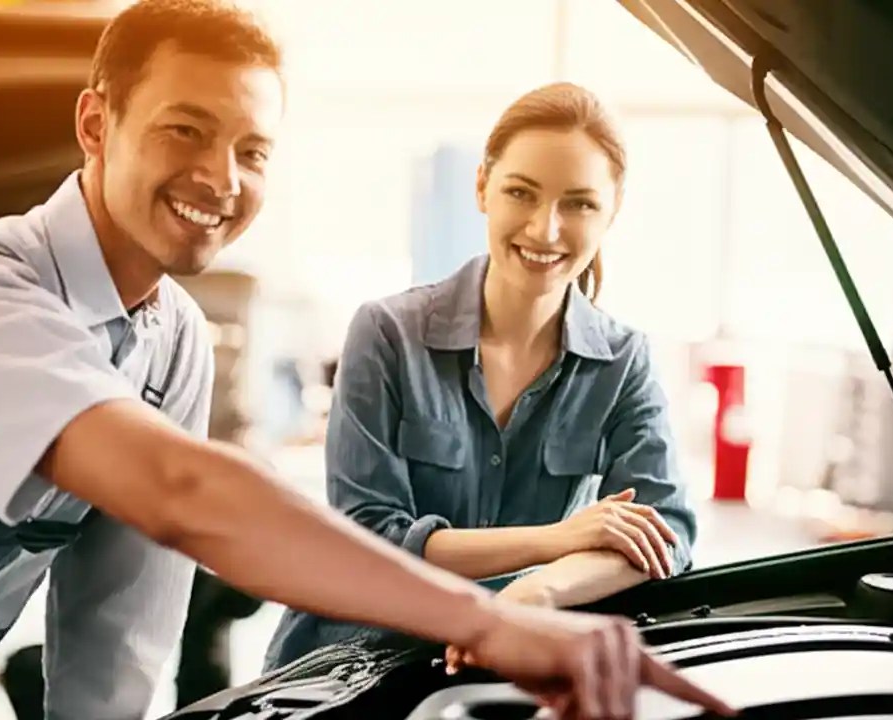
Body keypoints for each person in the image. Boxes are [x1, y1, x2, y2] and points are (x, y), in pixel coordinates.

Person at [0, 1, 736, 719]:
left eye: (252, 149)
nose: (222, 178)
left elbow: (120, 621)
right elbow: (183, 495)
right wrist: (495, 618)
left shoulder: (171, 335)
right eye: (186, 130)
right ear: (97, 123)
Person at [265, 82, 698, 675]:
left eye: (579, 204)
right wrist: (557, 540)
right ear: (482, 188)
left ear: (612, 212)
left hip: (505, 665)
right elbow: (368, 537)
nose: (545, 229)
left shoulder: (624, 363)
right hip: (352, 666)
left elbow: (666, 533)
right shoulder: (388, 334)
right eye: (521, 193)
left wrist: (535, 593)